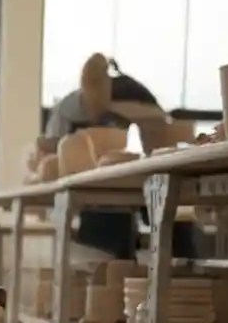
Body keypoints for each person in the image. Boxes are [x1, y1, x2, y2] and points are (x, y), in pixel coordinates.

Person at [43, 53, 195, 259]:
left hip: (139, 180)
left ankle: (178, 271)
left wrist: (131, 116)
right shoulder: (67, 109)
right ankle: (116, 271)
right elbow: (51, 150)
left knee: (171, 217)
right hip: (95, 193)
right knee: (107, 220)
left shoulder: (131, 93)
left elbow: (163, 136)